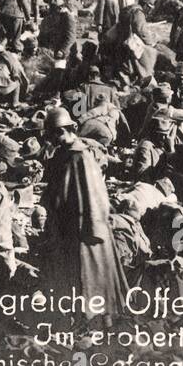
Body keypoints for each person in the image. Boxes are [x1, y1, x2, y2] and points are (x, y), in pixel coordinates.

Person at [37, 107, 127, 320]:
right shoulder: (74, 155)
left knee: (87, 283)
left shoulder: (77, 158)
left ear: (60, 132)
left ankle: (90, 325)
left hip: (83, 233)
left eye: (52, 136)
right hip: (89, 229)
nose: (50, 142)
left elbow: (64, 197)